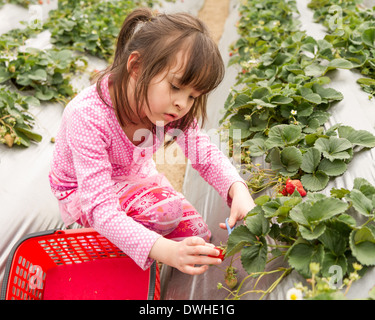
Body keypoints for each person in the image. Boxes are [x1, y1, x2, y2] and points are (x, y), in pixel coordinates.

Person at [49, 8, 255, 275]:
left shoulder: (166, 108)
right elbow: (100, 206)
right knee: (165, 213)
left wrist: (237, 188)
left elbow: (203, 151)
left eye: (193, 96)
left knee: (198, 239)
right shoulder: (88, 116)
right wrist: (164, 250)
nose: (183, 103)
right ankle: (91, 237)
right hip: (86, 193)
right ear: (136, 67)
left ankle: (131, 237)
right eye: (176, 87)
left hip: (133, 177)